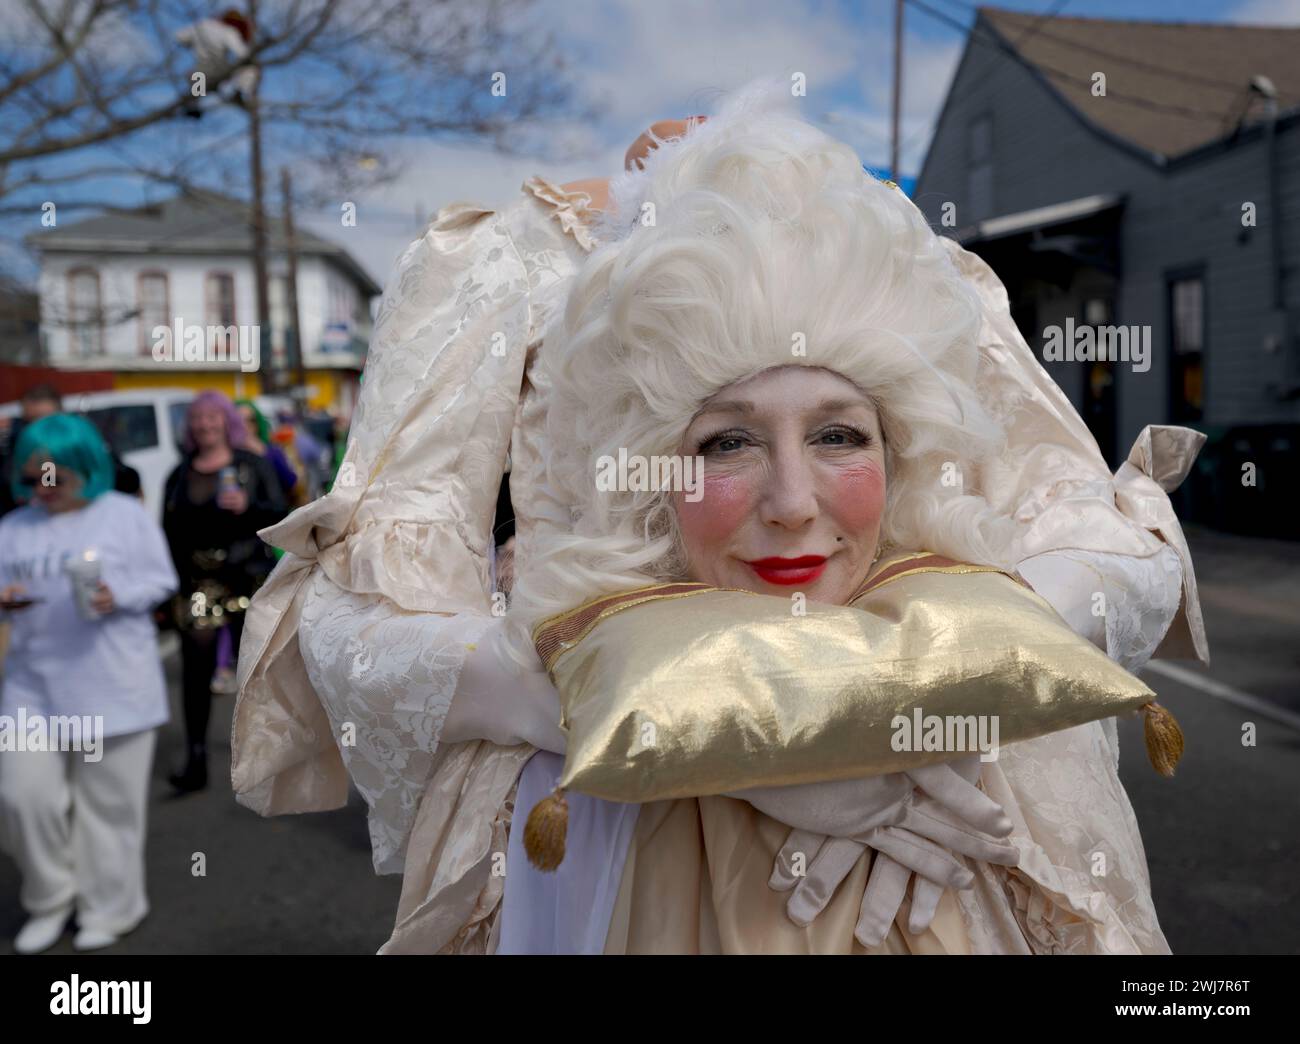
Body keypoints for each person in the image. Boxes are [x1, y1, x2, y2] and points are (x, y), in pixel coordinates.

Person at [230, 83, 1207, 953]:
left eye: (839, 437)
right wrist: (682, 726)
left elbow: (1113, 542)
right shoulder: (502, 264)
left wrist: (897, 708)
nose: (791, 507)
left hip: (941, 825)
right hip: (603, 840)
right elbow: (358, 620)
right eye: (723, 444)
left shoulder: (884, 252)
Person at [0, 414, 178, 953]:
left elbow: (161, 580)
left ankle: (108, 905)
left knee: (109, 807)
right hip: (30, 685)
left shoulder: (122, 515)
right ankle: (50, 897)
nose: (42, 490)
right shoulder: (12, 527)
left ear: (84, 469)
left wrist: (115, 595)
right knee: (21, 797)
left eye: (53, 477)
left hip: (112, 684)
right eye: (31, 478)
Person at [163, 391, 287, 793]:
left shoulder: (250, 465)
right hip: (198, 583)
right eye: (197, 418)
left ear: (226, 423)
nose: (204, 425)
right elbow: (167, 532)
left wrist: (248, 506)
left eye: (212, 418)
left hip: (246, 576)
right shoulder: (178, 473)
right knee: (195, 674)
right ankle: (196, 756)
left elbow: (281, 514)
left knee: (257, 672)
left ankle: (270, 759)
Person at [0, 384, 141, 518]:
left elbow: (127, 482)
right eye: (29, 422)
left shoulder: (84, 450)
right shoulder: (13, 458)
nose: (38, 430)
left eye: (47, 421)